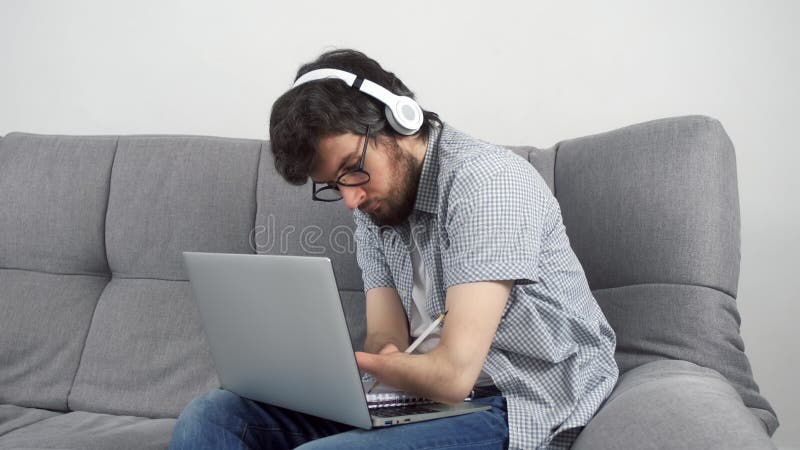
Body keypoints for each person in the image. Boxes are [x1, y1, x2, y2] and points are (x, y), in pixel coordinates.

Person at [170, 49, 618, 450]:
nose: (350, 199)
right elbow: (387, 337)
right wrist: (360, 363)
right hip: (423, 396)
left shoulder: (487, 183)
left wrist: (351, 365)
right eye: (332, 185)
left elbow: (453, 376)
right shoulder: (371, 204)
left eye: (351, 169)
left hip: (521, 395)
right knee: (213, 416)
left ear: (400, 119)